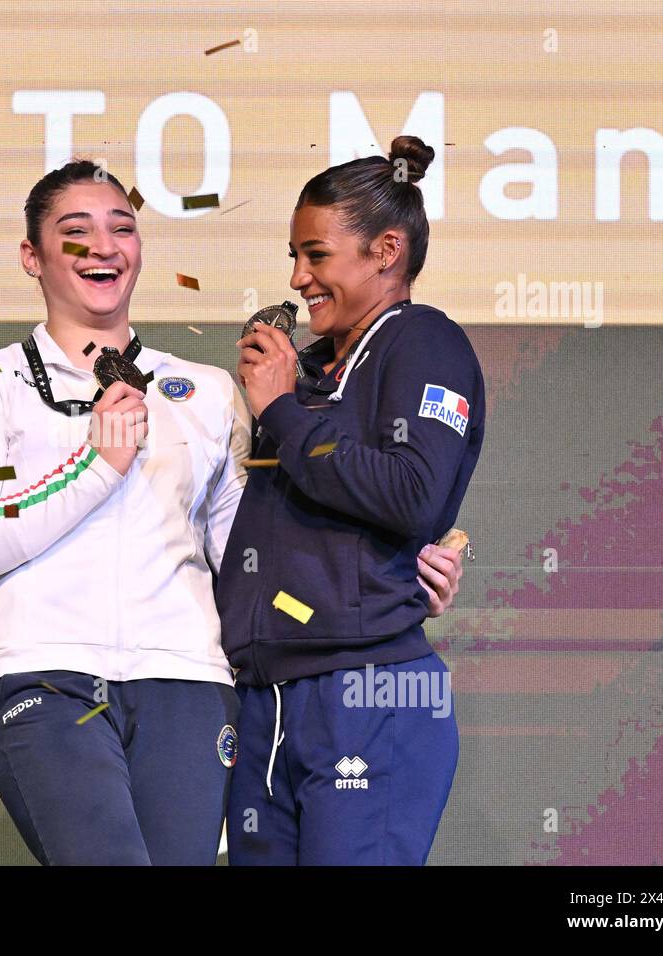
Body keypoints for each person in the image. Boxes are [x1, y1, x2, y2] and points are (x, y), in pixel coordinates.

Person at [0, 160, 463, 865]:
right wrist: (94, 470)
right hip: (46, 672)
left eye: (123, 228)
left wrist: (385, 571)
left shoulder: (205, 391)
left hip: (190, 682)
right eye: (76, 232)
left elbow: (248, 552)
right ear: (32, 255)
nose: (105, 247)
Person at [218, 135, 485, 865]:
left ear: (386, 250)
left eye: (316, 255)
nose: (298, 277)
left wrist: (282, 411)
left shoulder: (424, 343)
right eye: (294, 257)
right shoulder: (301, 372)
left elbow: (414, 495)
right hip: (266, 701)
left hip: (368, 696)